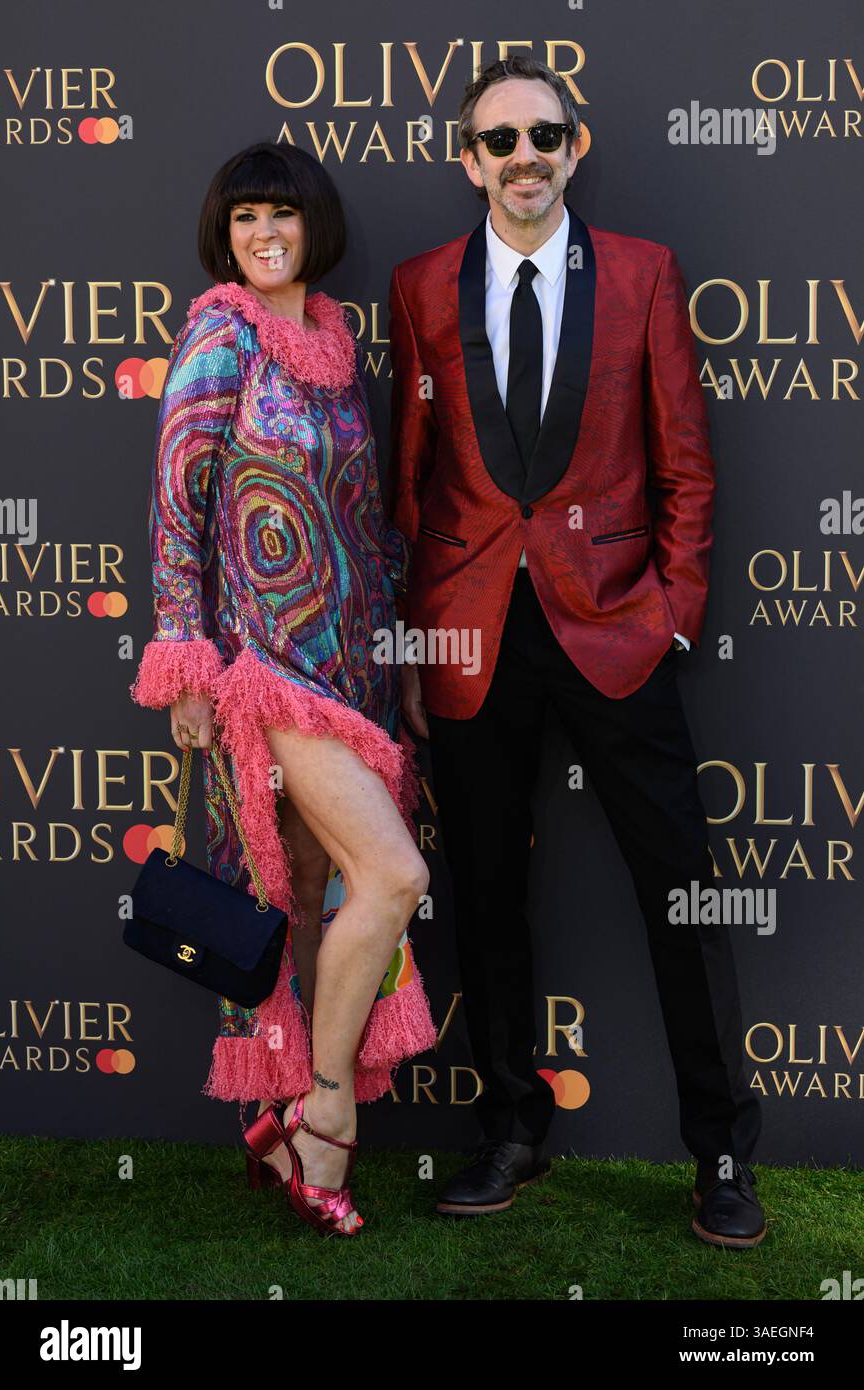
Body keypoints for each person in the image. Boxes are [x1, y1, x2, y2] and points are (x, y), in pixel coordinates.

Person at [387, 56, 765, 1248]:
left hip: (615, 626)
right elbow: (409, 478)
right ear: (467, 161)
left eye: (544, 134)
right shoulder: (418, 287)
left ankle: (718, 1150)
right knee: (486, 893)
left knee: (680, 893)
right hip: (469, 633)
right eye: (498, 141)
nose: (524, 157)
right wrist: (411, 634)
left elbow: (685, 463)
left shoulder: (644, 274)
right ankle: (509, 1129)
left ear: (575, 144)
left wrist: (672, 607)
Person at [130, 140, 436, 1237]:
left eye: (285, 215)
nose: (266, 233)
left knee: (308, 898)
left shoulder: (336, 339)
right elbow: (180, 501)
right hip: (264, 667)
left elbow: (363, 523)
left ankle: (275, 1111)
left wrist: (393, 660)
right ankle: (325, 1115)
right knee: (390, 876)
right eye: (247, 215)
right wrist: (184, 661)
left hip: (350, 663)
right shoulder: (217, 331)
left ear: (316, 228)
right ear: (228, 231)